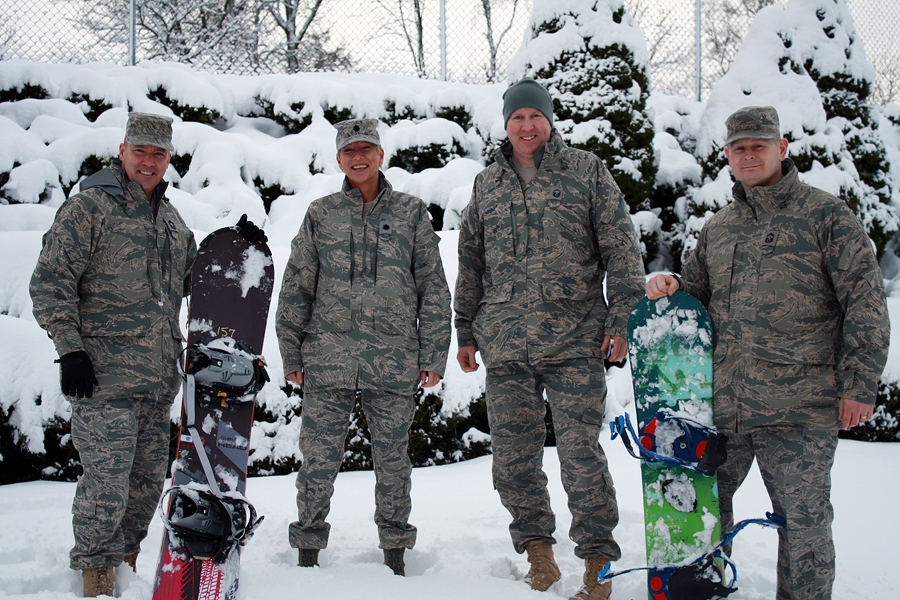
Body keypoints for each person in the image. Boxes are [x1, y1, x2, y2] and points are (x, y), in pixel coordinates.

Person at [646, 106, 889, 600]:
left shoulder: (826, 216)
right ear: (728, 156)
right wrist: (672, 285)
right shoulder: (719, 227)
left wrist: (860, 384)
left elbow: (864, 302)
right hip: (725, 408)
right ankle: (701, 592)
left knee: (803, 526)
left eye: (759, 145)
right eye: (739, 148)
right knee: (701, 512)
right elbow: (696, 298)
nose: (749, 154)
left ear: (781, 149)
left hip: (799, 408)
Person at [29, 112, 266, 597]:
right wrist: (70, 349)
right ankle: (96, 579)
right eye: (140, 151)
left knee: (141, 491)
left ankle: (129, 570)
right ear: (122, 151)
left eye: (158, 154)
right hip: (104, 379)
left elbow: (193, 287)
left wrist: (239, 252)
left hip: (158, 382)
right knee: (107, 487)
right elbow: (51, 283)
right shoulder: (89, 209)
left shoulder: (172, 221)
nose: (149, 161)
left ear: (169, 158)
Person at [454, 78, 646, 600]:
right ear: (507, 122)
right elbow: (470, 260)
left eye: (535, 116)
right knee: (513, 458)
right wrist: (465, 329)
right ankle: (538, 551)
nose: (527, 125)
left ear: (549, 119)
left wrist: (621, 318)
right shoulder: (487, 183)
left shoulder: (586, 171)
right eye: (518, 117)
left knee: (581, 453)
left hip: (575, 341)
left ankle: (597, 561)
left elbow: (621, 247)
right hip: (506, 345)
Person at [276, 118, 451, 576]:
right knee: (317, 460)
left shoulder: (411, 213)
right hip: (327, 360)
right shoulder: (321, 213)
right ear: (338, 159)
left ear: (380, 155)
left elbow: (433, 288)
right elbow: (296, 287)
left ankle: (395, 549)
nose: (359, 157)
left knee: (393, 462)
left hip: (393, 362)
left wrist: (433, 354)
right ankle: (307, 548)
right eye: (349, 150)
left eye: (366, 149)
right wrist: (291, 353)